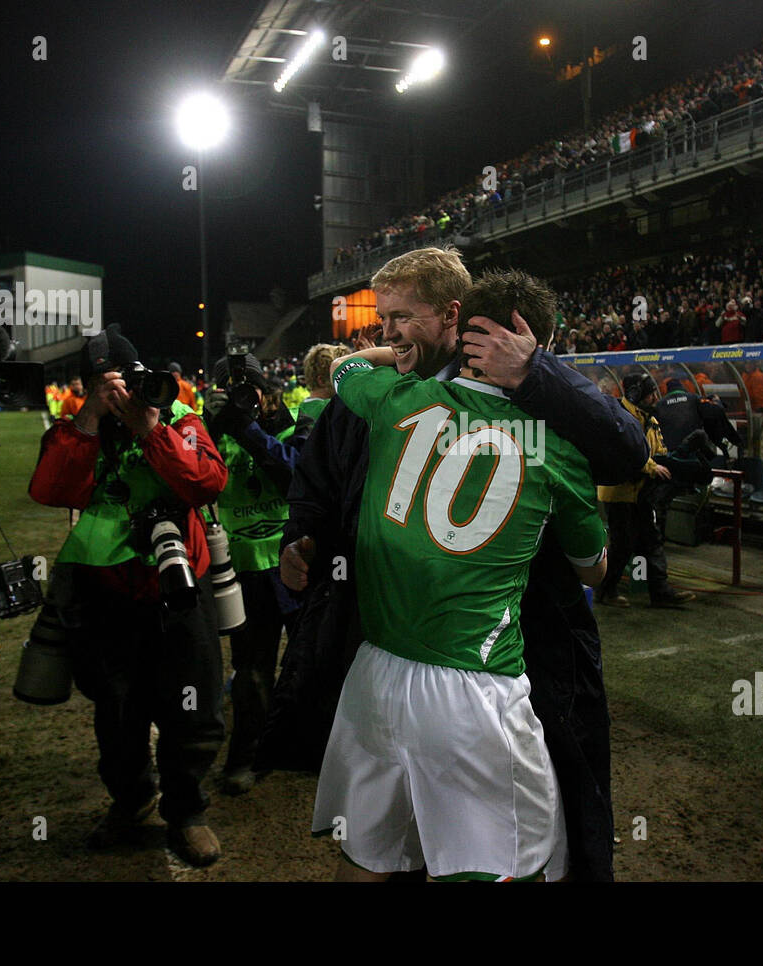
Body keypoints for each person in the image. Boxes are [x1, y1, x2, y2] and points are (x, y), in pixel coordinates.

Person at [266, 247, 646, 882]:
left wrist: (536, 372)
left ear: (455, 317)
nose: (386, 331)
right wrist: (300, 536)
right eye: (381, 319)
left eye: (402, 317)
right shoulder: (543, 438)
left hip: (420, 666)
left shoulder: (400, 400)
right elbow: (318, 484)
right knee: (492, 863)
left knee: (377, 854)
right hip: (464, 681)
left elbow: (627, 447)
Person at [28, 327, 229, 867]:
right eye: (99, 384)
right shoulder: (79, 430)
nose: (113, 394)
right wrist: (90, 419)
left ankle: (187, 811)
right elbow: (51, 489)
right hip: (108, 592)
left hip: (179, 583)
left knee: (194, 705)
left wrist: (150, 430)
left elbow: (207, 482)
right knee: (116, 708)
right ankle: (132, 800)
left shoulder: (180, 417)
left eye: (119, 382)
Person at [203, 352, 307, 794]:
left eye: (252, 390)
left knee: (307, 660)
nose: (246, 400)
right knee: (251, 669)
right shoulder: (214, 435)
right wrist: (214, 426)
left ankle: (309, 746)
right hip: (245, 568)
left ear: (268, 391)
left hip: (297, 563)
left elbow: (297, 475)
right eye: (234, 392)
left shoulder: (292, 424)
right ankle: (248, 756)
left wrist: (247, 430)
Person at [594, 373, 695, 609]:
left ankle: (660, 591)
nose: (654, 398)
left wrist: (671, 463)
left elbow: (658, 449)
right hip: (619, 494)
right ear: (636, 394)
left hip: (641, 492)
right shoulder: (619, 416)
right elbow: (625, 451)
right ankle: (606, 590)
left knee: (651, 540)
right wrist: (651, 467)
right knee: (623, 544)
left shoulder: (649, 418)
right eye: (650, 393)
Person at [297, 343, 350, 426]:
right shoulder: (335, 411)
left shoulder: (298, 411)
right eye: (341, 375)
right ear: (322, 381)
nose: (348, 380)